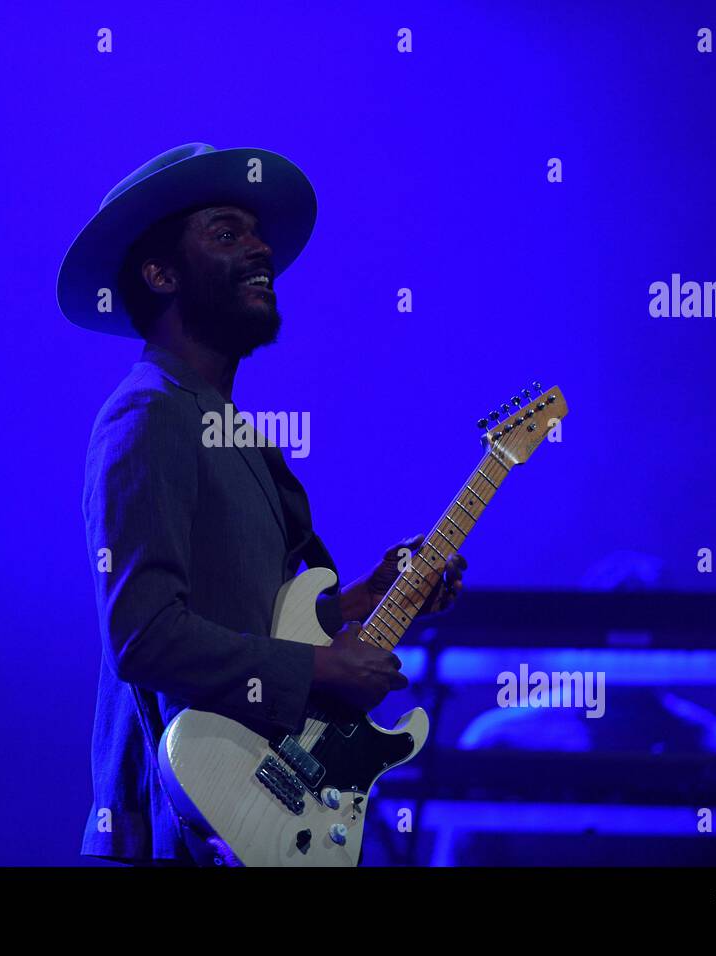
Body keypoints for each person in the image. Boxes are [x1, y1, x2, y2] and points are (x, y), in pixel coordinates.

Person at [56, 143, 465, 865]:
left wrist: (373, 598)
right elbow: (143, 637)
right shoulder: (147, 417)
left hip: (239, 826)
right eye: (226, 233)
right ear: (161, 274)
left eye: (256, 234)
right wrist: (320, 671)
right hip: (168, 836)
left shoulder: (232, 434)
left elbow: (254, 619)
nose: (259, 250)